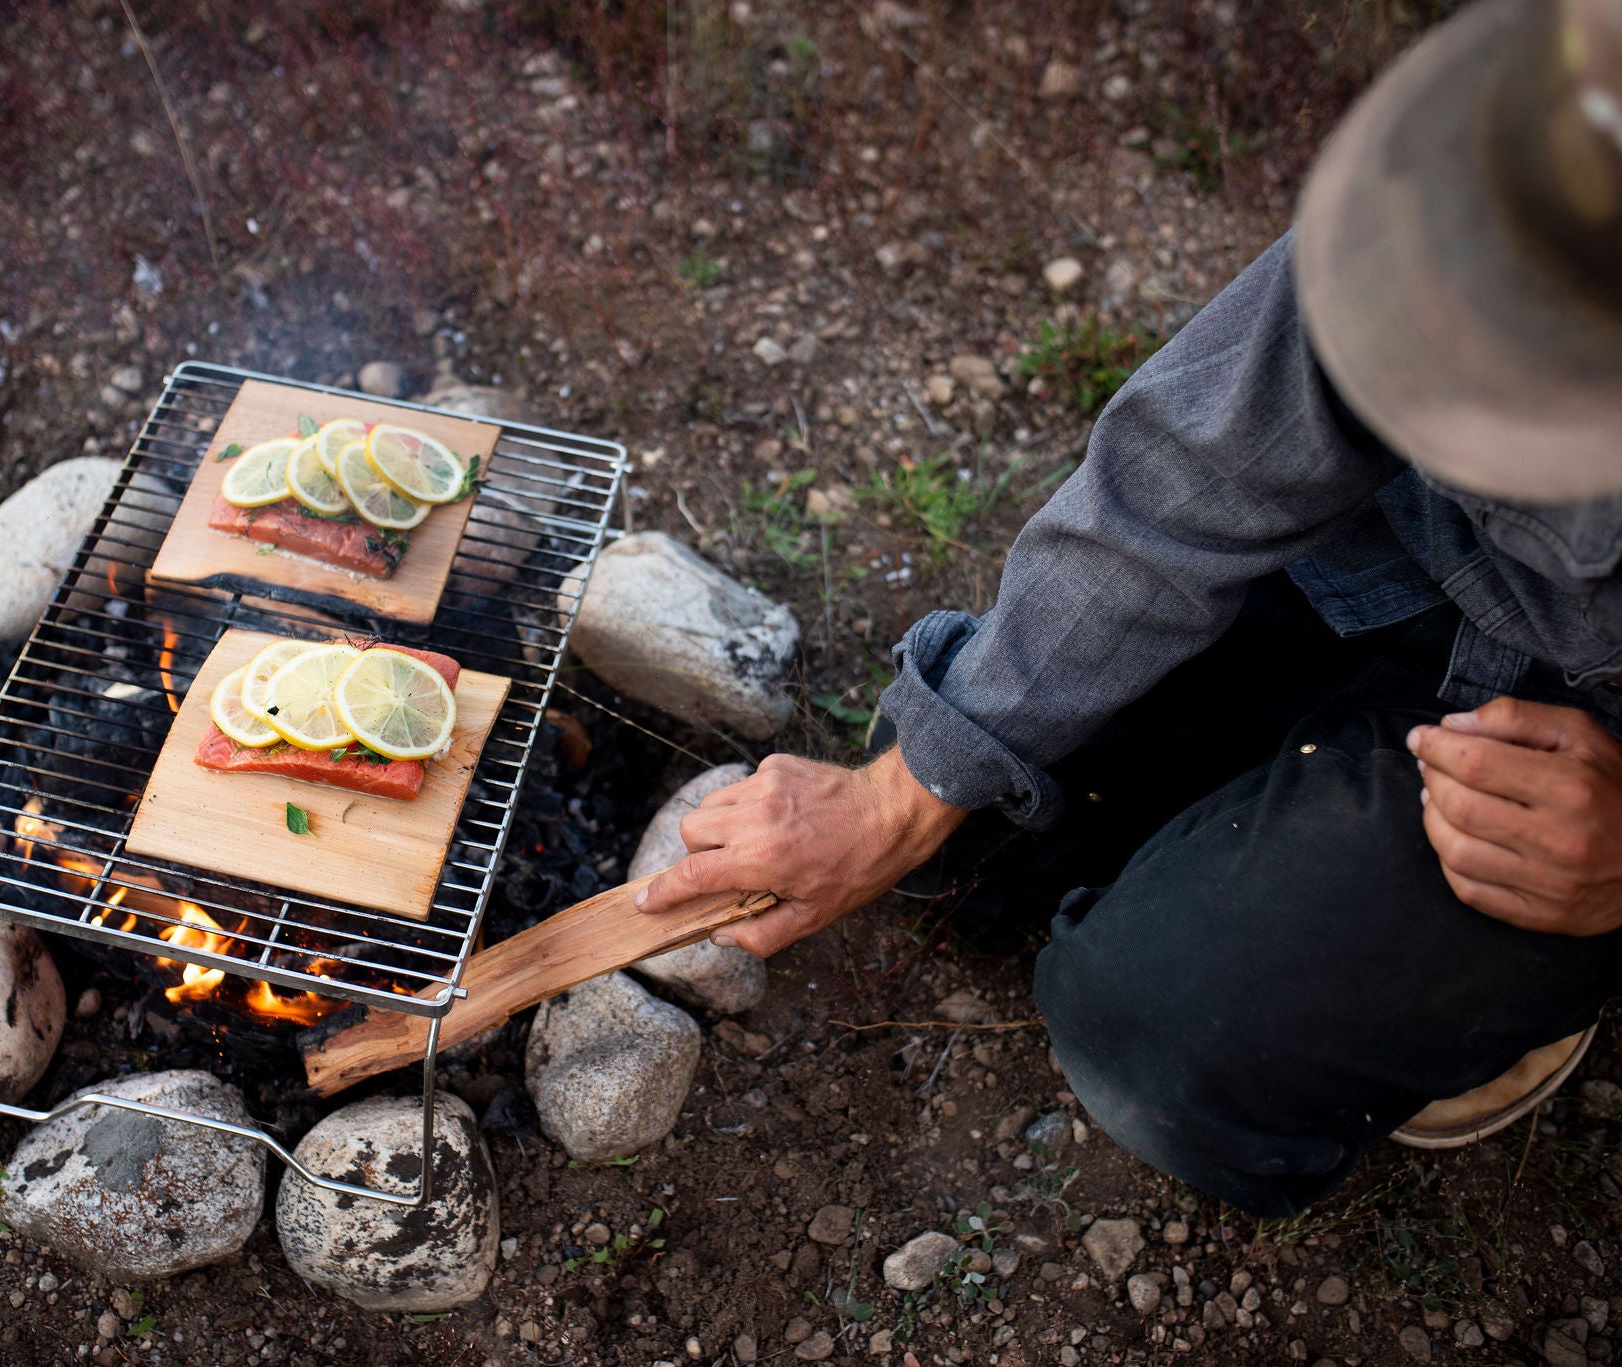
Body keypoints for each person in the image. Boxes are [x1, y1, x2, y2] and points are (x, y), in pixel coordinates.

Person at [637, 0, 1622, 1216]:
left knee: (1162, 1033)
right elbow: (1200, 464)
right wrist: (900, 795)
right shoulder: (1513, 132)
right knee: (982, 835)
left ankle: (1525, 986)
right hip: (1416, 565)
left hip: (1589, 746)